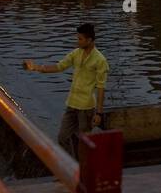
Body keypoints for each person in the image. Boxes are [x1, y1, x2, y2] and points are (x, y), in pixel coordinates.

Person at [24, 23, 108, 158]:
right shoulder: (76, 53)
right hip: (72, 104)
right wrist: (36, 68)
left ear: (90, 40)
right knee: (62, 137)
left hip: (86, 107)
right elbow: (59, 67)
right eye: (78, 38)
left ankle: (84, 171)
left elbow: (101, 88)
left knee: (85, 141)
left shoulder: (100, 60)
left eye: (80, 39)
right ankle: (73, 166)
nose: (77, 41)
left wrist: (98, 112)